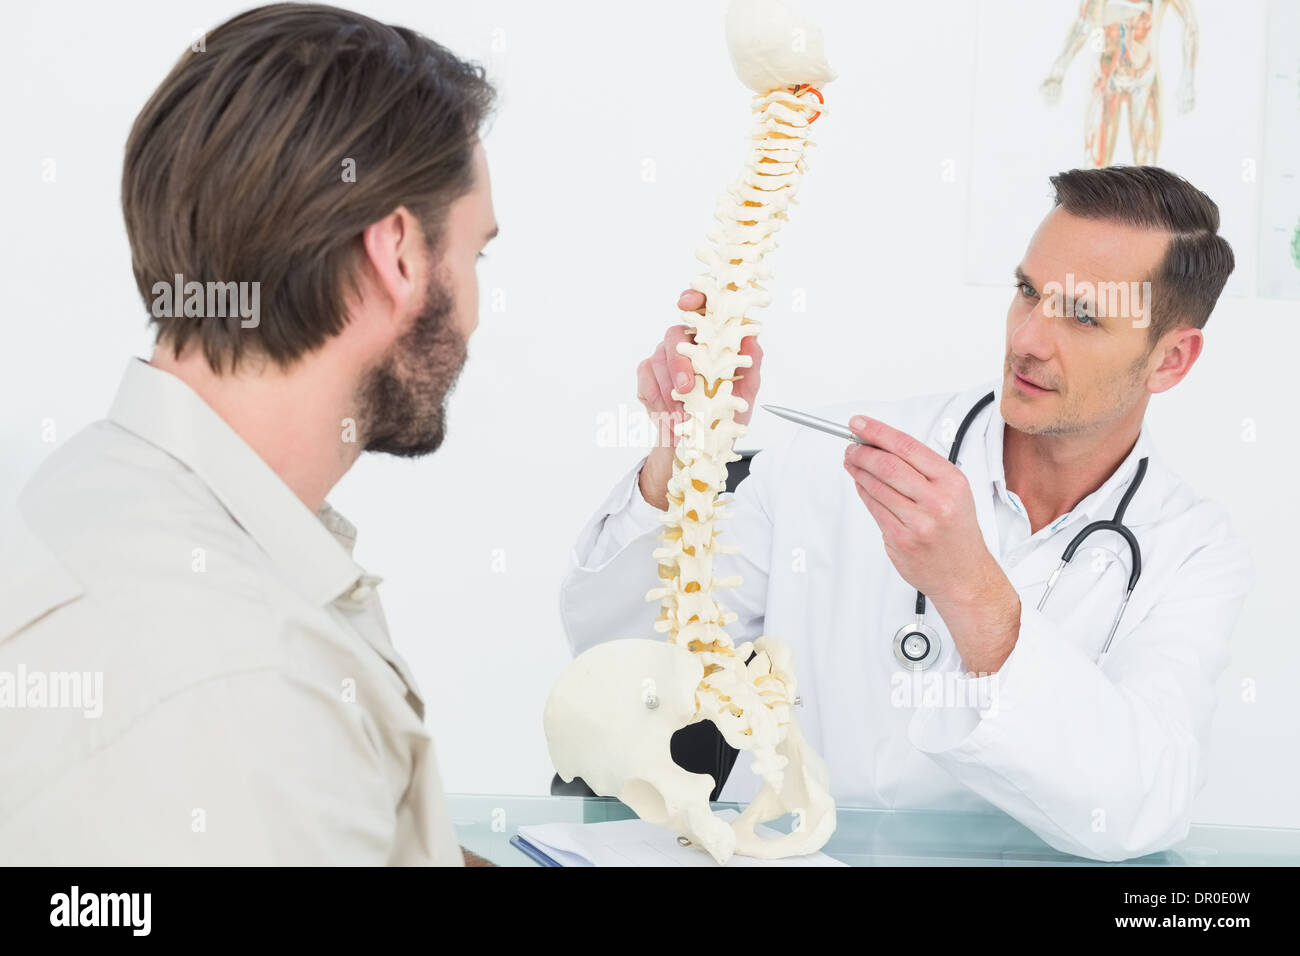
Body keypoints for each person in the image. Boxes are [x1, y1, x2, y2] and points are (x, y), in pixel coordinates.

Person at [560, 164, 1254, 862]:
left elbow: (1140, 811)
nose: (1029, 340)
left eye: (1082, 314)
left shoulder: (1192, 550)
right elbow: (625, 655)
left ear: (1170, 361)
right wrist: (683, 459)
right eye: (1027, 292)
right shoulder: (832, 459)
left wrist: (971, 591)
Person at [0, 3, 496, 864]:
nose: (479, 306)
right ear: (401, 256)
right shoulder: (252, 691)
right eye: (476, 254)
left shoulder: (96, 488)